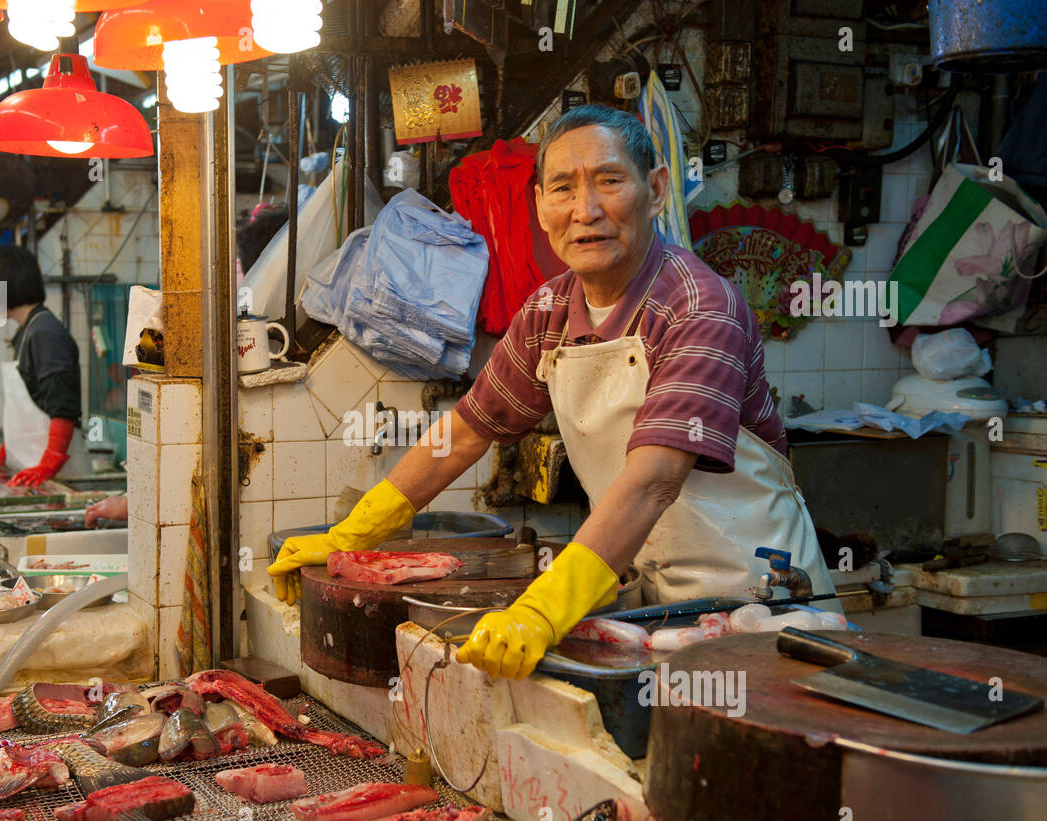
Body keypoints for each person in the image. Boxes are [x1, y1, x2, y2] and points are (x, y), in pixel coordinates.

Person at [268, 104, 837, 681]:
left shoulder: (699, 306)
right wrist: (353, 536)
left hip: (764, 601)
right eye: (562, 188)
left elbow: (654, 479)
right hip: (652, 597)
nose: (585, 210)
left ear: (657, 189)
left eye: (610, 181)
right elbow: (465, 433)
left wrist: (542, 610)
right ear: (540, 207)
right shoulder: (548, 312)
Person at [0, 245, 93, 487]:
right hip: (38, 474)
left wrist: (48, 465)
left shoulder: (44, 333)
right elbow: (35, 403)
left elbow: (63, 408)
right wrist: (10, 450)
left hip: (61, 478)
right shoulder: (29, 330)